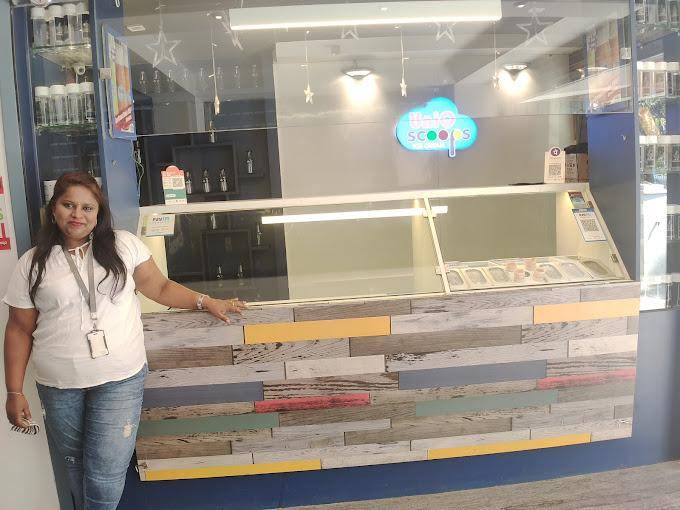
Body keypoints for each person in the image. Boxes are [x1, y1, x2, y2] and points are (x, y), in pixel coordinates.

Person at [3, 172, 246, 509]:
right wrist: (14, 391)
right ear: (54, 208)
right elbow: (18, 328)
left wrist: (205, 301)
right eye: (69, 205)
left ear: (99, 212)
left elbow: (160, 287)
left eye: (87, 207)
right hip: (58, 385)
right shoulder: (32, 263)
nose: (77, 214)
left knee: (105, 473)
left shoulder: (123, 245)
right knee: (75, 464)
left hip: (120, 379)